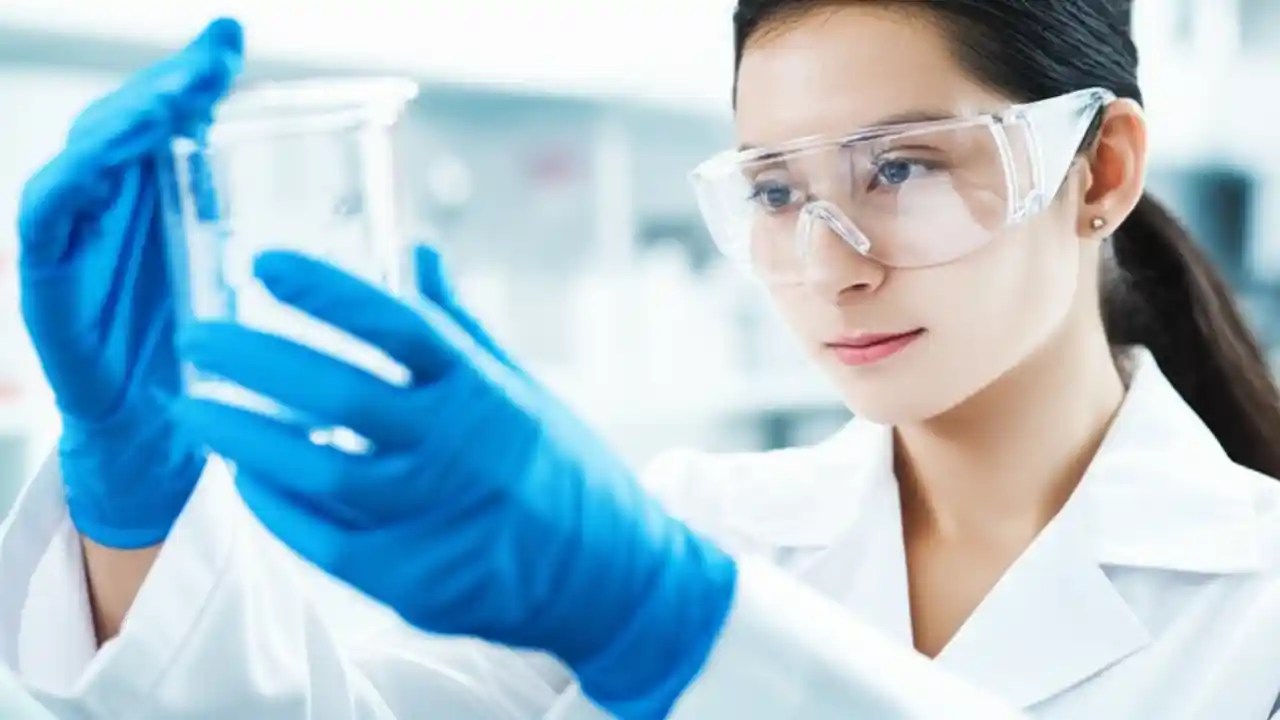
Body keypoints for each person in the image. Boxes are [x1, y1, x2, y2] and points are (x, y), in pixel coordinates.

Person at [3, 1, 1280, 718]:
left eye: (900, 168)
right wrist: (134, 492)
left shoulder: (1258, 604)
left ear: (1097, 170)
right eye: (776, 192)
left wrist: (672, 624)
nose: (829, 264)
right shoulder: (687, 523)